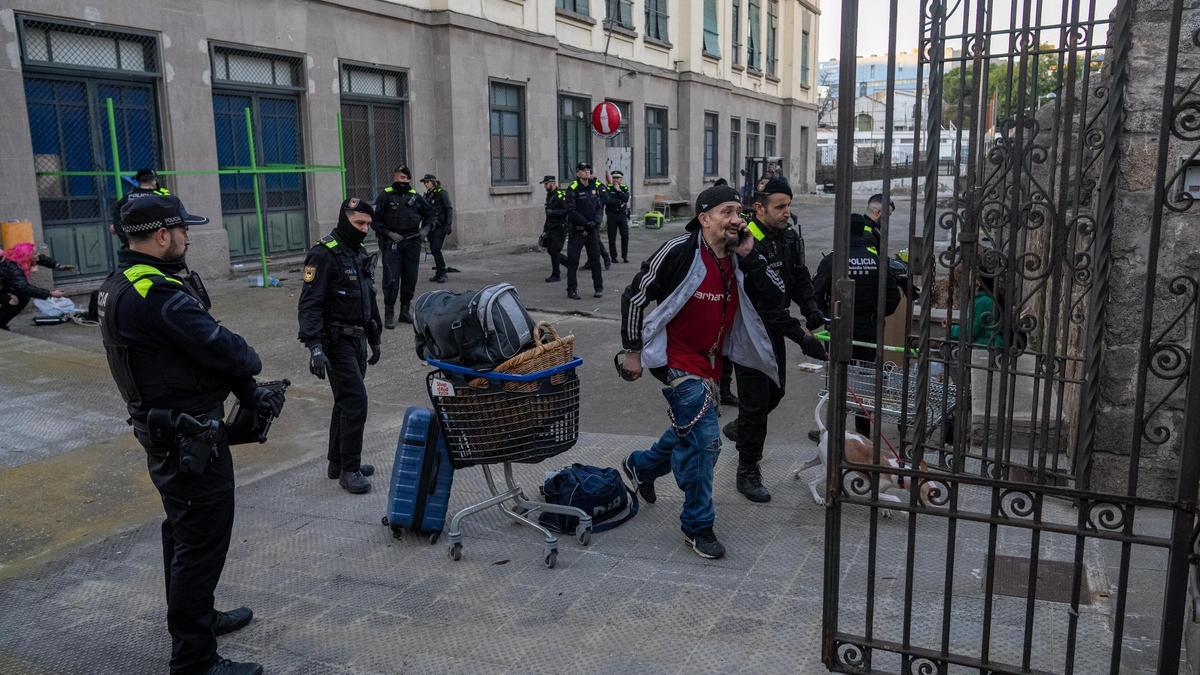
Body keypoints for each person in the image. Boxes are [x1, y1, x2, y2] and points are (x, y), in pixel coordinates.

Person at [98, 195, 278, 675]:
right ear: (163, 236)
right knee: (199, 544)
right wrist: (245, 370)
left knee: (183, 534)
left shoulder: (119, 283)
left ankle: (198, 619)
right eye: (183, 231)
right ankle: (194, 660)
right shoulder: (156, 293)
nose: (189, 238)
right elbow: (233, 353)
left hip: (168, 433)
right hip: (188, 438)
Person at [618, 184, 786, 559]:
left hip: (715, 364)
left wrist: (751, 256)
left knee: (688, 431)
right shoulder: (679, 251)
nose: (735, 219)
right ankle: (698, 525)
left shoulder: (741, 254)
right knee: (706, 441)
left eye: (739, 212)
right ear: (704, 217)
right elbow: (636, 295)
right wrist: (632, 351)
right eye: (726, 212)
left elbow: (778, 296)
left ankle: (641, 466)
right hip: (677, 360)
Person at [721, 178, 829, 503]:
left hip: (776, 328)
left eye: (789, 206)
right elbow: (765, 303)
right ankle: (747, 468)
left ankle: (742, 429)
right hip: (749, 331)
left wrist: (812, 313)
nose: (787, 212)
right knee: (755, 404)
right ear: (759, 208)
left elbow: (798, 279)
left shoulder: (790, 237)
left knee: (777, 391)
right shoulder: (745, 241)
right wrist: (801, 337)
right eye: (780, 207)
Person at [298, 198, 383, 495]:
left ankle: (338, 462)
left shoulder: (357, 253)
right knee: (356, 401)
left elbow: (368, 297)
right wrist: (314, 346)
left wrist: (375, 336)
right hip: (336, 341)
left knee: (345, 402)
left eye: (368, 224)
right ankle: (350, 469)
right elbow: (310, 304)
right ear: (344, 219)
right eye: (359, 223)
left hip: (358, 338)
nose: (364, 229)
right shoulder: (324, 254)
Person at [812, 215, 900, 436]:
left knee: (838, 379)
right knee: (866, 383)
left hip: (840, 327)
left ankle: (834, 433)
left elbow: (815, 294)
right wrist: (878, 315)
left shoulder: (833, 260)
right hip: (869, 329)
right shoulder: (877, 259)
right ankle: (863, 434)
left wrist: (827, 317)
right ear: (863, 232)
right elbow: (893, 296)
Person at [373, 165, 435, 327]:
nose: (403, 180)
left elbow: (431, 214)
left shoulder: (416, 197)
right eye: (400, 177)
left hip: (412, 242)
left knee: (410, 278)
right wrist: (388, 233)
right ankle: (389, 313)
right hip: (393, 242)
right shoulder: (385, 196)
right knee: (391, 279)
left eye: (406, 178)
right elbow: (375, 221)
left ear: (409, 179)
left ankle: (405, 311)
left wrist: (425, 230)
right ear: (395, 177)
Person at [0, 243, 71, 330]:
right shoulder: (13, 267)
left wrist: (58, 266)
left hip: (4, 287)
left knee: (24, 297)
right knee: (12, 300)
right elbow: (24, 287)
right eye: (35, 254)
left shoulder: (21, 258)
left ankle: (2, 323)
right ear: (26, 256)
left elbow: (41, 258)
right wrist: (50, 293)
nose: (37, 255)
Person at [565, 162, 607, 300]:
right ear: (578, 173)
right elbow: (571, 211)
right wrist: (585, 223)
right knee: (573, 261)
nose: (587, 171)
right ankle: (572, 290)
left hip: (592, 230)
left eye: (588, 169)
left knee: (595, 260)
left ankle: (598, 288)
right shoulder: (573, 188)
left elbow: (600, 207)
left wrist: (596, 221)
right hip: (578, 230)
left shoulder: (594, 186)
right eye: (583, 170)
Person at [111, 168, 171, 249]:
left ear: (138, 181)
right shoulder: (160, 197)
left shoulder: (126, 198)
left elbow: (117, 224)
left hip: (133, 246)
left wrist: (127, 242)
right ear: (154, 180)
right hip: (158, 245)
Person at [420, 174, 454, 283]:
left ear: (433, 182)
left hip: (440, 226)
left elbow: (448, 209)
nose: (425, 184)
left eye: (427, 182)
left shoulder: (442, 193)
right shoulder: (427, 195)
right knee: (434, 250)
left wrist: (448, 225)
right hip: (430, 227)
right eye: (424, 182)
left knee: (436, 249)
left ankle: (443, 273)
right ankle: (439, 272)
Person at [541, 175, 569, 282]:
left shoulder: (560, 195)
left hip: (560, 227)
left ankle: (556, 275)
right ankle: (570, 264)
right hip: (551, 227)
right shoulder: (549, 195)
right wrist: (545, 230)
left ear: (552, 183)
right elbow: (548, 215)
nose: (544, 186)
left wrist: (553, 212)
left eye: (546, 184)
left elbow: (566, 210)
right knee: (550, 250)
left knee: (555, 251)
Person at [605, 171, 631, 264]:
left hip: (622, 215)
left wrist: (619, 190)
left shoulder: (624, 187)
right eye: (614, 178)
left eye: (617, 178)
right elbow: (607, 200)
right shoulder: (607, 188)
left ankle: (625, 256)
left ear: (621, 179)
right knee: (611, 237)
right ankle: (613, 256)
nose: (615, 180)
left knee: (625, 236)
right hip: (611, 215)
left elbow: (626, 198)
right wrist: (619, 202)